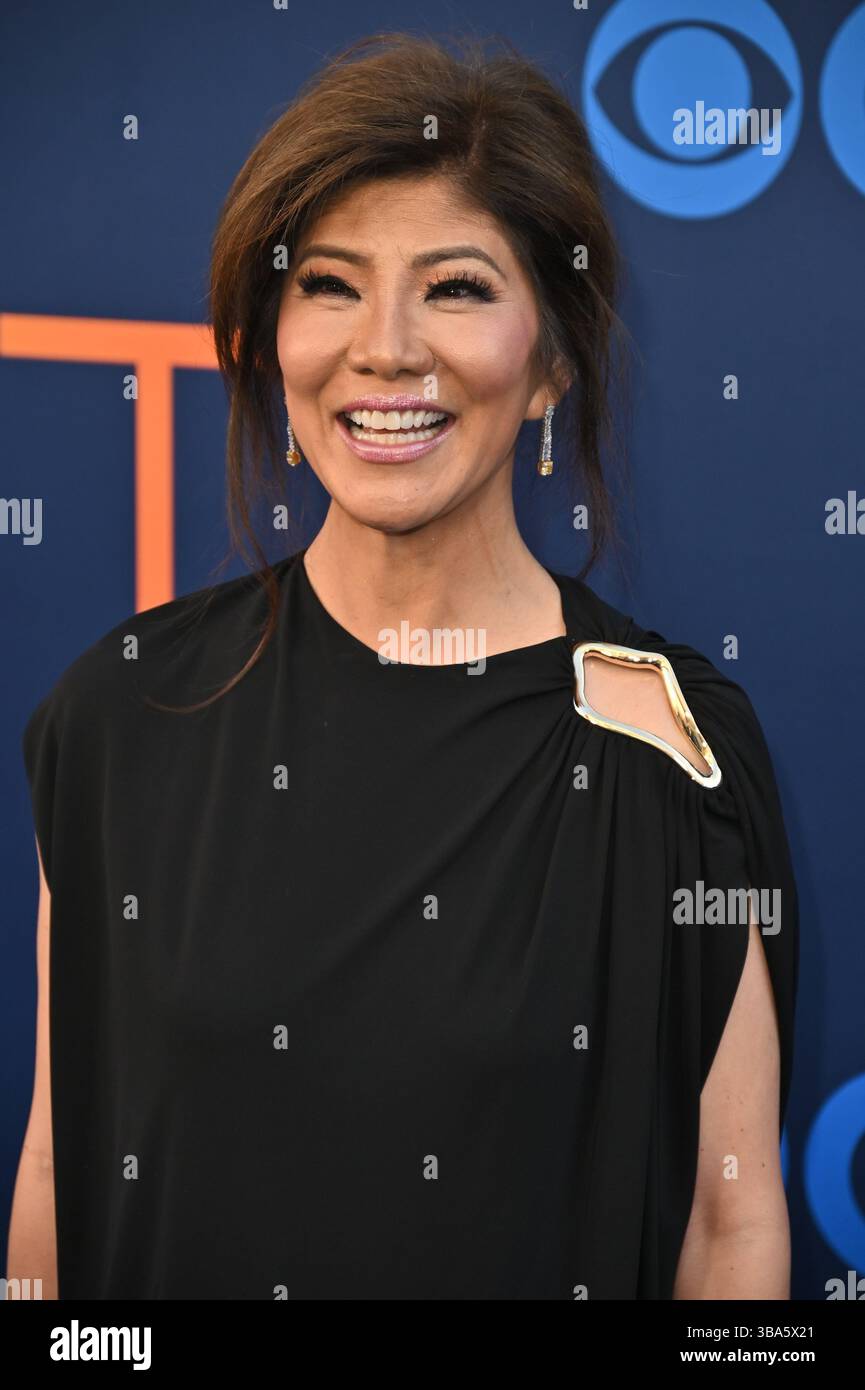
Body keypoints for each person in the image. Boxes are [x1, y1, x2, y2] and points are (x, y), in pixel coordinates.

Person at [9, 32, 798, 1300]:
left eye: (457, 287)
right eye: (328, 283)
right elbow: (61, 1169)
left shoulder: (670, 747)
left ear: (552, 361)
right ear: (269, 338)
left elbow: (731, 1227)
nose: (385, 348)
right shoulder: (121, 711)